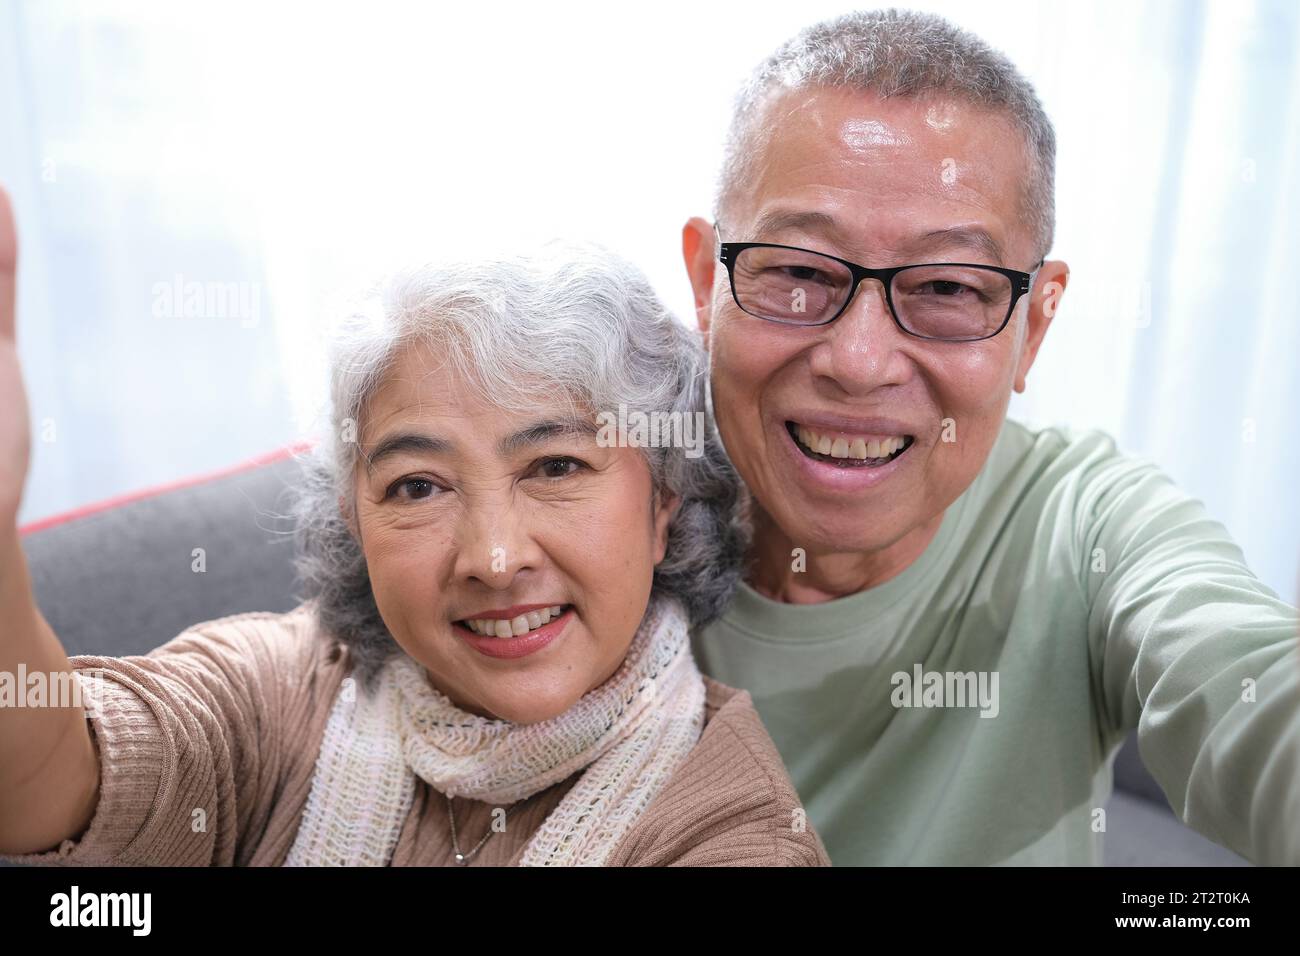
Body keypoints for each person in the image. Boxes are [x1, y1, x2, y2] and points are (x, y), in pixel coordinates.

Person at [0, 208, 830, 866]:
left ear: (664, 503)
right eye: (419, 486)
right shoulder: (284, 692)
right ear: (353, 518)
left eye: (555, 467)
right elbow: (45, 776)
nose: (495, 559)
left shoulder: (729, 828)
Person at [679, 8, 1300, 865]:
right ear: (707, 284)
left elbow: (1247, 686)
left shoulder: (1081, 530)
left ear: (1034, 328)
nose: (859, 362)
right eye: (796, 272)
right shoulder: (606, 505)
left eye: (946, 286)